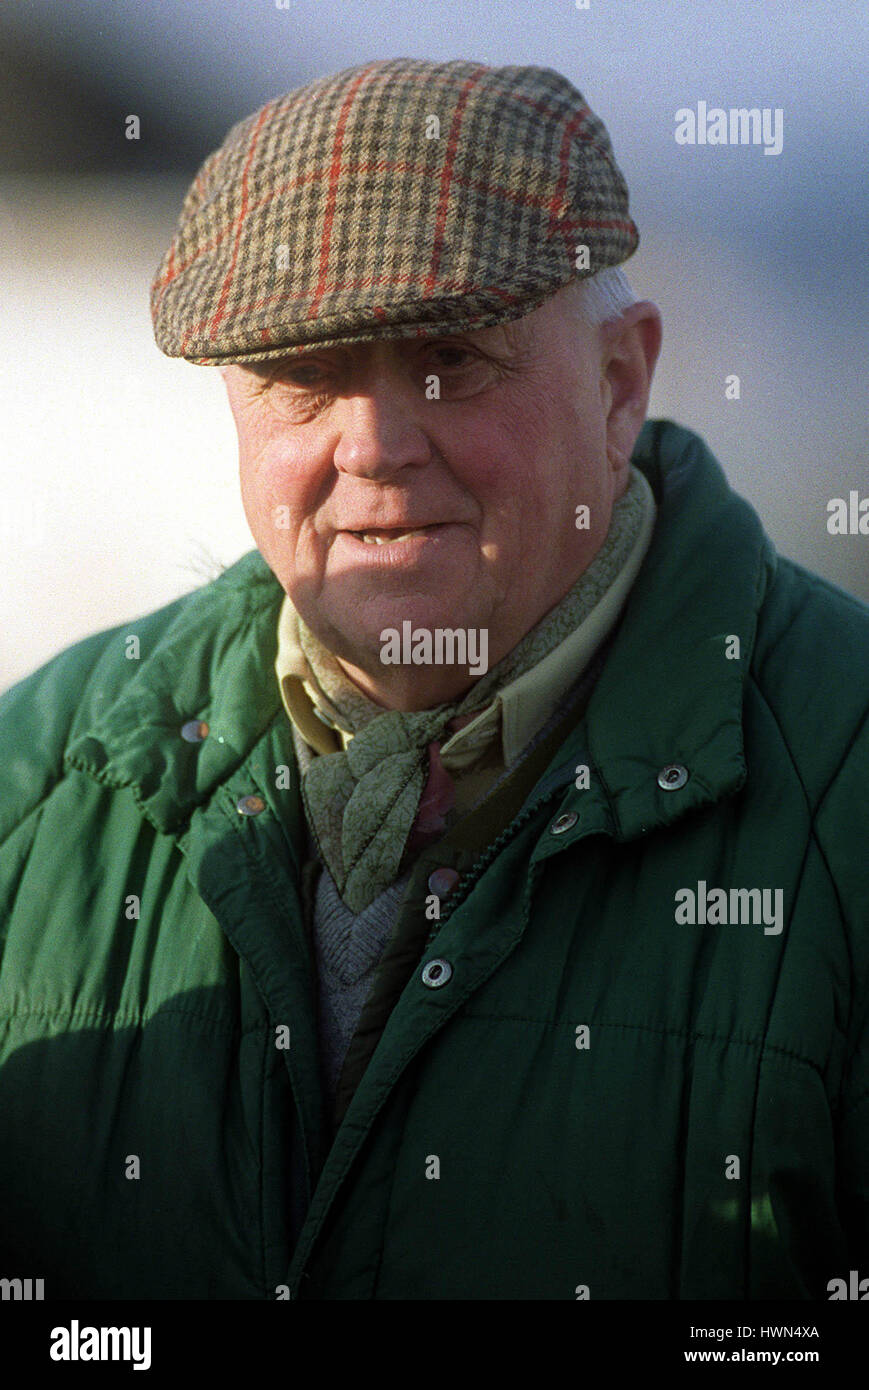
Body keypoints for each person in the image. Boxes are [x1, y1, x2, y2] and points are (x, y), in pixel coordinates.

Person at [0, 57, 867, 1302]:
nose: (370, 446)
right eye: (300, 374)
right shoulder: (38, 783)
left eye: (449, 362)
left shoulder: (842, 781)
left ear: (620, 381)